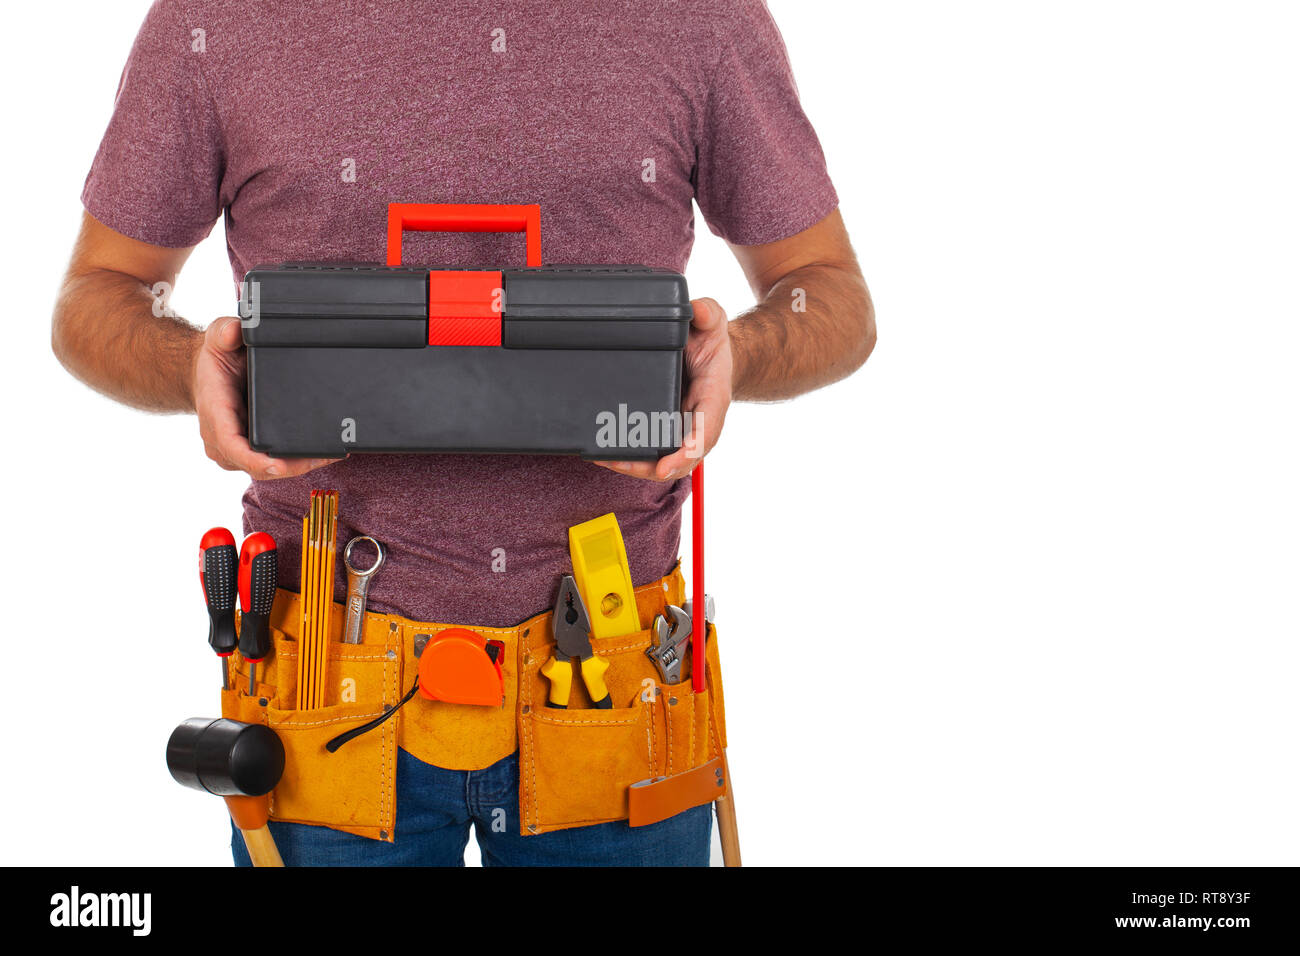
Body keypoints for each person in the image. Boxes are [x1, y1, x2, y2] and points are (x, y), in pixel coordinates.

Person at [53, 0, 874, 866]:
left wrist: (736, 352)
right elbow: (99, 295)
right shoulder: (217, 18)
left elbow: (830, 294)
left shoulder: (699, 17)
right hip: (324, 679)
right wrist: (191, 366)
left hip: (614, 678)